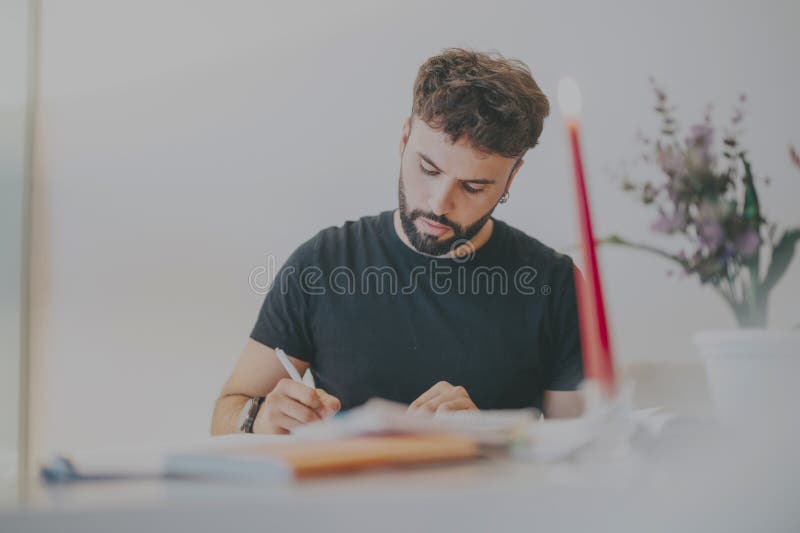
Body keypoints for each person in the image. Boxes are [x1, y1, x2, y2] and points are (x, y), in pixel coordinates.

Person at [211, 48, 584, 436]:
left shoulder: (555, 286)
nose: (439, 203)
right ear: (405, 138)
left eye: (473, 187)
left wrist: (491, 436)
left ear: (512, 177)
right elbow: (226, 413)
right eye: (428, 169)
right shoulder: (321, 264)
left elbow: (584, 450)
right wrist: (258, 418)